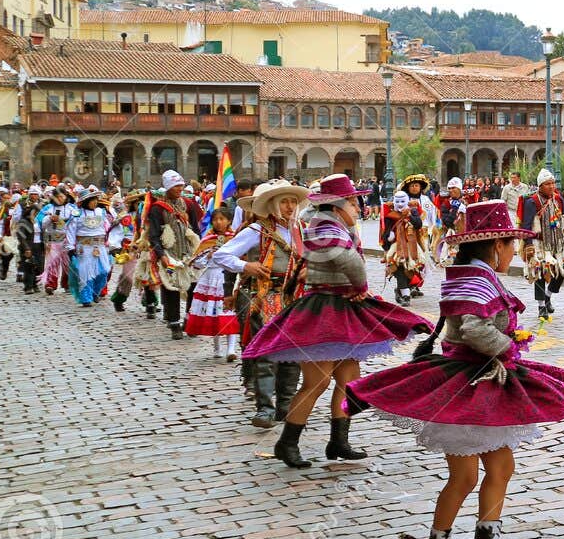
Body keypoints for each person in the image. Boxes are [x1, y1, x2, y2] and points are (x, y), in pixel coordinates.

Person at [345, 200, 564, 539]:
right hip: (467, 384)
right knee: (464, 476)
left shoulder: (476, 275)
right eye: (511, 245)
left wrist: (508, 343)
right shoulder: (474, 280)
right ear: (496, 245)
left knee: (501, 466)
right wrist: (509, 346)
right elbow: (473, 328)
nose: (514, 252)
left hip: (487, 381)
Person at [243, 174, 430, 467]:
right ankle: (286, 443)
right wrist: (360, 287)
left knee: (348, 379)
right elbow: (348, 261)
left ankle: (339, 441)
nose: (359, 208)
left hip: (340, 308)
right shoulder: (325, 227)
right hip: (325, 310)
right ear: (339, 204)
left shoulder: (333, 225)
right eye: (355, 203)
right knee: (317, 382)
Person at [211, 180, 307, 428]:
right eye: (284, 201)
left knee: (293, 354)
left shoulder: (302, 230)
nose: (289, 206)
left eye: (293, 201)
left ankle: (285, 406)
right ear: (274, 205)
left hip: (295, 297)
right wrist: (247, 266)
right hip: (266, 297)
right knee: (267, 353)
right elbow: (221, 254)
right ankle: (265, 408)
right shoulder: (256, 230)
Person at [145, 171, 203, 339]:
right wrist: (161, 255)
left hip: (188, 252)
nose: (180, 188)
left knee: (193, 286)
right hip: (169, 253)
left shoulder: (188, 204)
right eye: (176, 186)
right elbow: (153, 234)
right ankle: (174, 323)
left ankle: (189, 318)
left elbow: (195, 228)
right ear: (168, 187)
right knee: (171, 287)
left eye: (181, 185)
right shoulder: (157, 208)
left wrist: (198, 249)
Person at [184, 197, 241, 357]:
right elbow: (197, 263)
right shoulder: (208, 239)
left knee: (228, 312)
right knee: (214, 313)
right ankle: (217, 348)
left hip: (228, 278)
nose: (218, 222)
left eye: (222, 219)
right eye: (215, 219)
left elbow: (240, 257)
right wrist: (208, 256)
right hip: (211, 278)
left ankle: (231, 349)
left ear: (229, 220)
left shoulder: (235, 238)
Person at [516, 169, 564, 321]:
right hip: (538, 242)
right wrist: (528, 245)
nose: (551, 186)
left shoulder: (558, 199)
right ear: (540, 185)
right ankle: (541, 306)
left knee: (563, 270)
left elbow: (562, 221)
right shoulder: (532, 202)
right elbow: (526, 225)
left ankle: (548, 296)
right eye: (548, 184)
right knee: (540, 272)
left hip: (557, 241)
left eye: (553, 183)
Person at [67, 188, 115, 307]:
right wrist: (70, 247)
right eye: (92, 200)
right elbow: (70, 230)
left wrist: (112, 242)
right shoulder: (77, 214)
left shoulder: (101, 212)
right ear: (85, 201)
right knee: (86, 273)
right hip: (84, 247)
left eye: (96, 200)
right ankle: (86, 298)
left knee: (104, 271)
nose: (95, 202)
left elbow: (108, 228)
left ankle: (95, 292)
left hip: (100, 247)